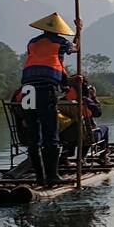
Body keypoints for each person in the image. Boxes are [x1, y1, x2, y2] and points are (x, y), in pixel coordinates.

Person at [20, 12, 79, 185]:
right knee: (50, 134)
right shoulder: (60, 42)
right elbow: (75, 48)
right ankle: (52, 176)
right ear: (59, 30)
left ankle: (40, 177)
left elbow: (53, 63)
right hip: (46, 89)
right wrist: (79, 31)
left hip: (28, 89)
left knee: (33, 134)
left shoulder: (32, 42)